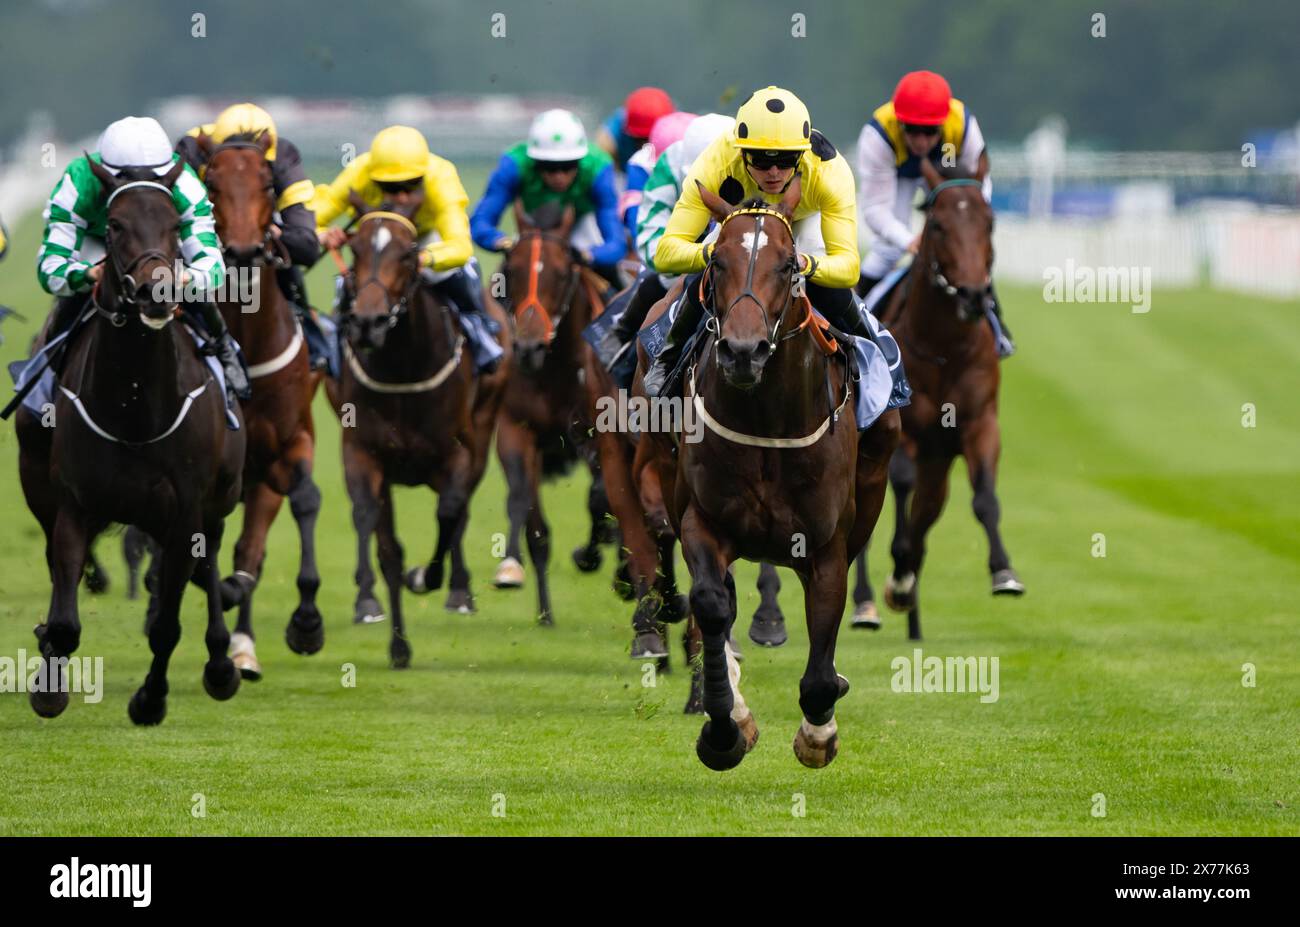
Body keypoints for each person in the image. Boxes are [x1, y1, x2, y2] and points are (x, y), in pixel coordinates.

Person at [642, 87, 870, 398]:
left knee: (825, 281)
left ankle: (873, 358)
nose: (774, 172)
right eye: (761, 162)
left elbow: (849, 268)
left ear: (802, 154)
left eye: (787, 160)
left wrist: (804, 263)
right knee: (716, 269)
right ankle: (668, 357)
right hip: (740, 225)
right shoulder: (716, 162)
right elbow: (666, 254)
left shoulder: (830, 172)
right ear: (741, 153)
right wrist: (716, 254)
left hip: (802, 219)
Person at [35, 115, 247, 412]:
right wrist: (85, 275)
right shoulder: (79, 180)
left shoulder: (185, 183)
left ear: (166, 173)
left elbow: (212, 267)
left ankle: (224, 349)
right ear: (104, 175)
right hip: (100, 241)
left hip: (159, 241)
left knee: (197, 296)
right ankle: (47, 371)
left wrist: (186, 280)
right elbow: (49, 268)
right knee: (70, 300)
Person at [314, 124, 502, 374]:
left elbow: (460, 246)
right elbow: (311, 218)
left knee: (454, 273)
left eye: (411, 185)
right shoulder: (357, 173)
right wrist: (324, 235)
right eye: (390, 188)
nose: (402, 197)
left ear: (423, 177)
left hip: (423, 237)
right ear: (373, 178)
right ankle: (332, 340)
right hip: (377, 243)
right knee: (353, 283)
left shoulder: (441, 177)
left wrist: (424, 258)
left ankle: (481, 333)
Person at [856, 70, 1013, 351]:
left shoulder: (963, 125)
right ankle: (855, 323)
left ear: (942, 124)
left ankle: (997, 328)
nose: (920, 140)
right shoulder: (878, 136)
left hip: (947, 178)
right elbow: (876, 209)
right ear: (898, 122)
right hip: (898, 177)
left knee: (969, 252)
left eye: (929, 131)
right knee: (889, 250)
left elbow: (978, 189)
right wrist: (909, 241)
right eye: (912, 129)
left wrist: (969, 223)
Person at [175, 102, 333, 372]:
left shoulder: (282, 156)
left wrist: (272, 234)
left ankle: (308, 331)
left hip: (261, 228)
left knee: (278, 244)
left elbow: (306, 246)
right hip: (205, 228)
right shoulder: (191, 150)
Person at [592, 112, 732, 372]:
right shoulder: (665, 163)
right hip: (681, 257)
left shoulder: (750, 166)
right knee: (650, 282)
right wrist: (694, 257)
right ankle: (620, 345)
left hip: (732, 258)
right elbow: (649, 240)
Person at [471, 109, 625, 287]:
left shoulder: (598, 167)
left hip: (582, 232)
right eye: (550, 167)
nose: (559, 176)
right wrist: (503, 242)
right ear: (535, 162)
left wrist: (588, 255)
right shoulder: (513, 165)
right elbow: (480, 222)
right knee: (498, 289)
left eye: (568, 166)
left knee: (619, 288)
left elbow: (616, 243)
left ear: (580, 161)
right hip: (530, 232)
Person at [596, 86, 675, 174]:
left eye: (649, 139)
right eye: (640, 140)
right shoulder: (612, 137)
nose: (644, 146)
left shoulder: (677, 133)